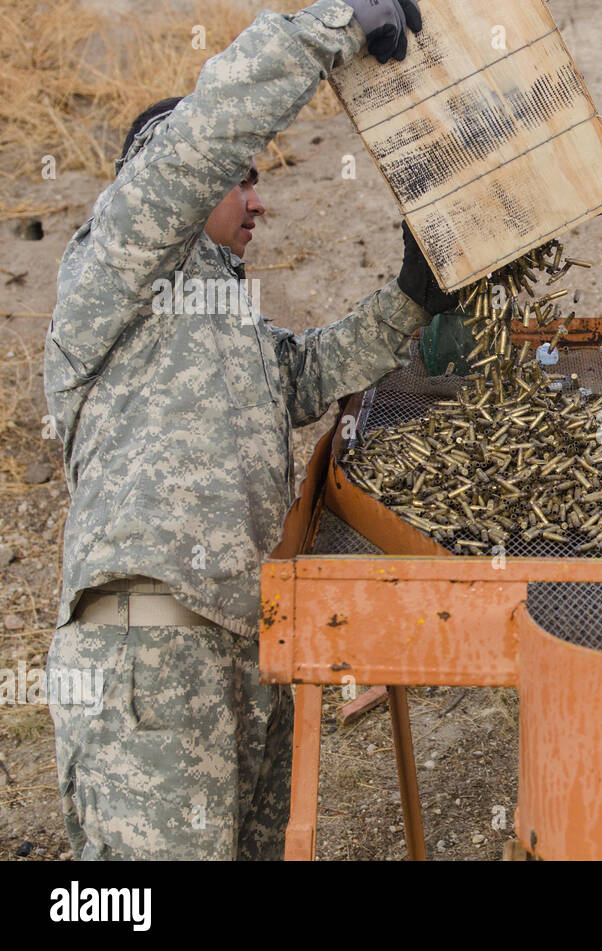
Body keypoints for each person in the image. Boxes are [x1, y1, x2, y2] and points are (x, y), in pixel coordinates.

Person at [43, 0, 446, 860]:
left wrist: (413, 293)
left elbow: (309, 370)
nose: (259, 200)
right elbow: (203, 140)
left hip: (246, 658)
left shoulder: (225, 323)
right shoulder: (114, 270)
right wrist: (331, 25)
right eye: (245, 178)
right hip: (146, 650)